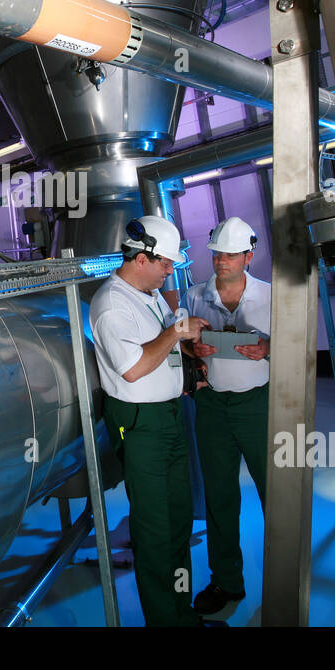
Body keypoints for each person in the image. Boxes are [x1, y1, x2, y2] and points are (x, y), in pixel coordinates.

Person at [89, 215, 209, 626]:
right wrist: (177, 331)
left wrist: (193, 352)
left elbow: (162, 349)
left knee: (177, 523)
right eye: (165, 263)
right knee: (156, 532)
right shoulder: (111, 304)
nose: (169, 270)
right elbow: (134, 369)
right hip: (140, 425)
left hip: (169, 416)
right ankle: (166, 621)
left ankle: (182, 612)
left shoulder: (149, 294)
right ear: (141, 258)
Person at [182, 215, 271, 616]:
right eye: (217, 253)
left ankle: (286, 576)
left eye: (231, 254)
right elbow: (183, 344)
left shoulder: (272, 296)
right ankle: (226, 583)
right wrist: (192, 351)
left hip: (259, 404)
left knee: (278, 494)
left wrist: (268, 349)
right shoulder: (195, 296)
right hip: (213, 406)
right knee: (220, 498)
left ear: (249, 256)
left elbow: (296, 345)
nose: (221, 261)